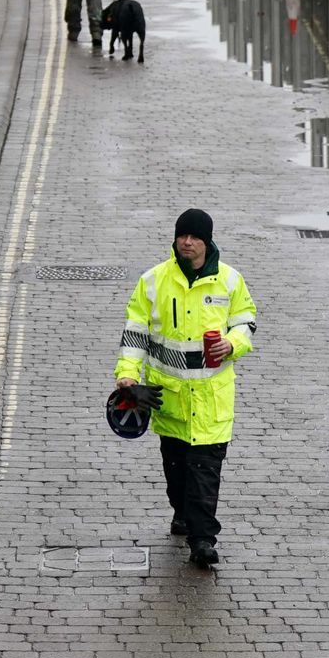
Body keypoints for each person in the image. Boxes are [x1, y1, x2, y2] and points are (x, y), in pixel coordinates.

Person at [115, 209, 257, 568]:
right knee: (177, 474)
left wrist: (233, 343)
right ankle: (181, 514)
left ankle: (203, 540)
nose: (187, 242)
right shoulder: (152, 282)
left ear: (206, 241)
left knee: (205, 474)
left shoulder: (229, 281)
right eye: (183, 236)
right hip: (171, 403)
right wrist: (127, 375)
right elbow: (136, 333)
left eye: (194, 237)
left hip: (212, 403)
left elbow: (246, 321)